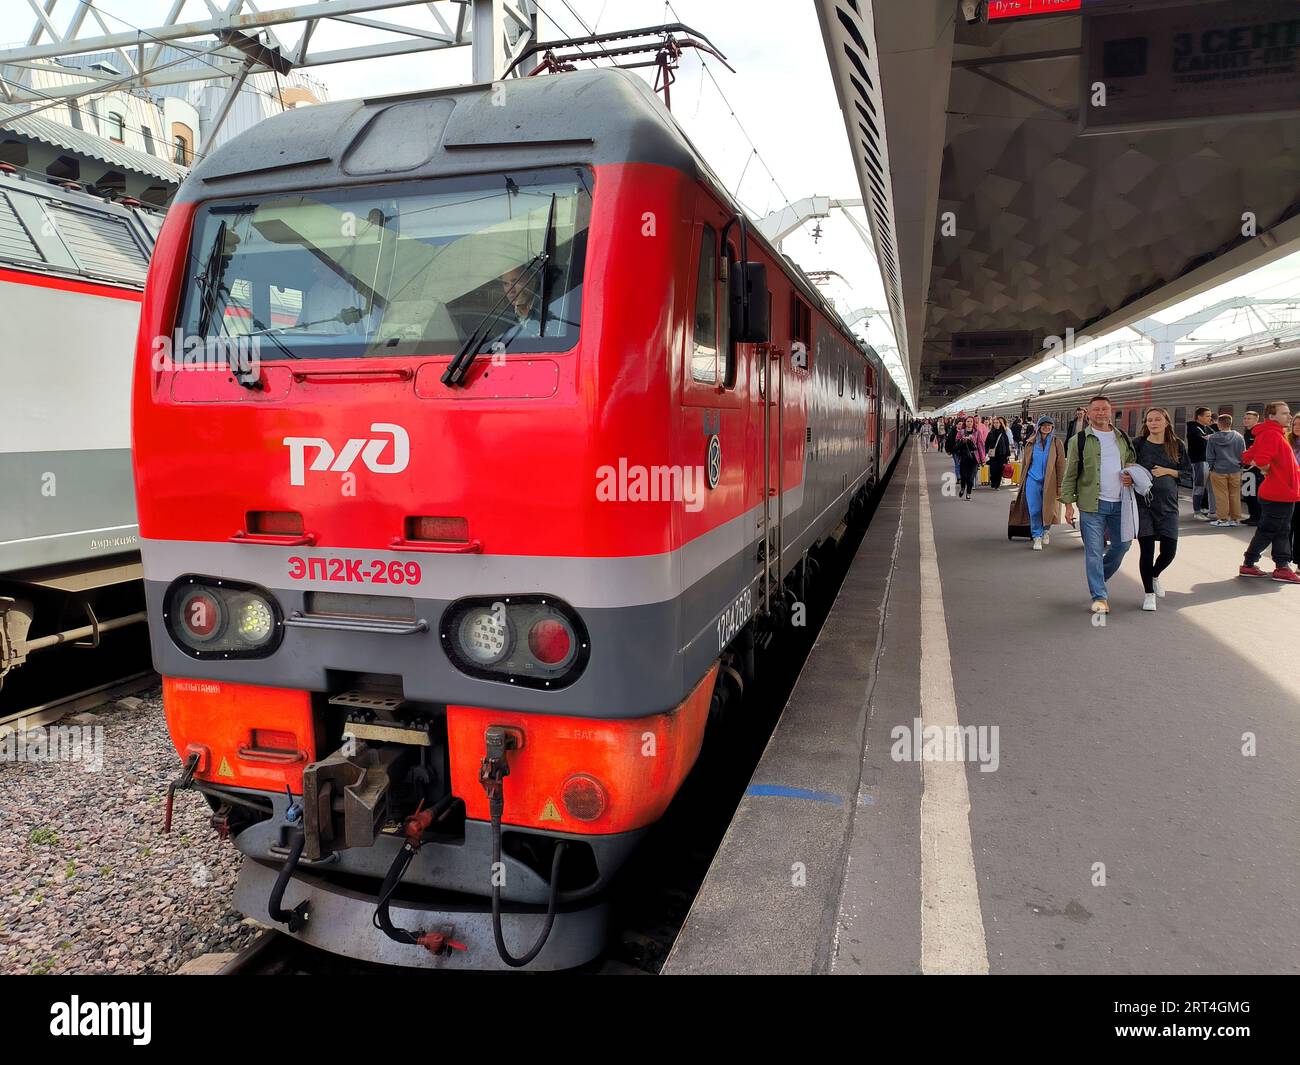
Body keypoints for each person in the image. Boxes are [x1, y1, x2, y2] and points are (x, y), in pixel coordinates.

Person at [1059, 395, 1137, 614]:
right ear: (1089, 413)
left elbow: (1131, 462)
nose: (1101, 413)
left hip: (1120, 503)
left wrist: (1131, 474)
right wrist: (1067, 505)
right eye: (1096, 410)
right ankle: (1099, 596)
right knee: (1093, 552)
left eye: (1105, 409)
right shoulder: (1079, 440)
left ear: (1111, 412)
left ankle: (1098, 577)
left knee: (1122, 545)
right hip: (1091, 505)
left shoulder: (1122, 437)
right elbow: (1070, 473)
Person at [1132, 408, 1189, 612]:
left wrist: (1168, 471)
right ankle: (1148, 594)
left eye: (1158, 419)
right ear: (1146, 424)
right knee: (1146, 551)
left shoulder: (1176, 445)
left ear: (1166, 422)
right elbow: (1127, 465)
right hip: (1143, 506)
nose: (1153, 423)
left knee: (1169, 552)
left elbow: (1188, 474)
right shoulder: (1138, 444)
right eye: (1149, 420)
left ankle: (1155, 575)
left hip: (1168, 507)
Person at [1238, 400, 1300, 583]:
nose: (1289, 416)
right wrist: (1266, 470)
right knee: (1269, 530)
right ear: (1271, 417)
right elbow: (1262, 459)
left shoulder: (1271, 434)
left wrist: (1268, 469)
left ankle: (1281, 566)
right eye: (1284, 413)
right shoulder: (1272, 435)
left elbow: (1247, 456)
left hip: (1281, 492)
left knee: (1280, 530)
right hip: (1279, 493)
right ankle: (1250, 564)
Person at [1010, 415, 1065, 550]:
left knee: (1048, 508)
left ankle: (1046, 530)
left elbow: (1061, 465)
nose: (1047, 427)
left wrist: (1060, 485)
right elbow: (1025, 463)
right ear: (1038, 427)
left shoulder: (1057, 443)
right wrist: (1021, 480)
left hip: (1050, 481)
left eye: (1049, 425)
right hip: (1032, 479)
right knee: (1034, 509)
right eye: (1044, 425)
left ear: (1052, 427)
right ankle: (1037, 536)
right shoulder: (1031, 442)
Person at [1205, 413, 1245, 527]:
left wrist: (1212, 467)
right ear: (1230, 423)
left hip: (1218, 470)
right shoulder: (1239, 437)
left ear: (1218, 424)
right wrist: (1240, 466)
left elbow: (1209, 456)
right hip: (1235, 470)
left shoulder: (1213, 438)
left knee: (1221, 495)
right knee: (1235, 494)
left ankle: (1222, 519)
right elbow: (1244, 454)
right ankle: (1235, 519)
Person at [1186, 407, 1216, 520]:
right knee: (1199, 487)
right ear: (1199, 417)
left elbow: (1216, 438)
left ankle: (1212, 511)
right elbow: (1201, 442)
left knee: (1212, 488)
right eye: (1207, 416)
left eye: (1210, 416)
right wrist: (1208, 439)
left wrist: (1209, 438)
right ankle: (1197, 512)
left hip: (1209, 461)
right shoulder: (1193, 428)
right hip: (1199, 461)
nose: (1210, 418)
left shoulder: (1207, 428)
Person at [1241, 410, 1262, 525]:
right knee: (1247, 493)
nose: (1246, 420)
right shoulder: (1247, 432)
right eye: (1245, 418)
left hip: (1255, 469)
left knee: (1254, 494)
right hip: (1247, 468)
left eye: (1249, 418)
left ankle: (1257, 517)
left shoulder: (1257, 433)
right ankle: (1252, 516)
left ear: (1256, 420)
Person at [953, 417, 979, 500]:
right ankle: (962, 488)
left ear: (973, 423)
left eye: (971, 421)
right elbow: (956, 445)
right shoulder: (961, 432)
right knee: (963, 476)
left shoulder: (977, 432)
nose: (970, 423)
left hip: (974, 458)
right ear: (965, 422)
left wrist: (982, 458)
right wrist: (962, 441)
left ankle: (968, 494)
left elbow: (980, 445)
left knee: (971, 477)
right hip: (963, 457)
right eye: (968, 421)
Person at [984, 417, 1013, 490]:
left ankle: (997, 485)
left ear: (1000, 424)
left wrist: (1007, 455)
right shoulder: (990, 433)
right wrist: (985, 452)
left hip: (1002, 454)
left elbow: (1006, 444)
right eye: (995, 423)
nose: (996, 424)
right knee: (993, 470)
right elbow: (987, 443)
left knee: (999, 470)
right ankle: (993, 482)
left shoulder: (1003, 433)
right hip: (993, 455)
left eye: (997, 423)